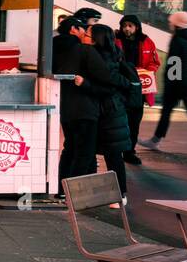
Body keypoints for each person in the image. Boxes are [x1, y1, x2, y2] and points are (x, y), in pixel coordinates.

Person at [140, 11, 187, 157]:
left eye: (171, 22)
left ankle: (155, 140)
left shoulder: (177, 39)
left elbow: (173, 63)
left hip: (177, 83)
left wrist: (169, 84)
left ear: (176, 24)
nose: (169, 24)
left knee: (166, 112)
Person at [52, 15, 109, 182]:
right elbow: (106, 78)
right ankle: (75, 193)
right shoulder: (82, 50)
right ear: (73, 29)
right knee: (84, 150)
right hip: (84, 106)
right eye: (83, 29)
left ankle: (62, 189)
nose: (85, 33)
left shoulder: (53, 47)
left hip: (65, 105)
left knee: (70, 147)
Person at [86, 24, 138, 205]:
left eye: (88, 33)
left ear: (96, 38)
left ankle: (119, 195)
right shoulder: (114, 53)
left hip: (109, 111)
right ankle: (119, 194)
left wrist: (84, 84)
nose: (85, 35)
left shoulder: (100, 59)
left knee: (112, 154)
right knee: (112, 154)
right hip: (114, 109)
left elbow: (109, 84)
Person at [117, 14, 160, 165]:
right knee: (118, 121)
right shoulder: (116, 40)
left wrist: (146, 71)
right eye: (124, 25)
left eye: (130, 25)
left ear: (137, 27)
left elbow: (155, 62)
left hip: (138, 90)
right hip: (120, 87)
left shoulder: (146, 41)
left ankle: (129, 152)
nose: (127, 28)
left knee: (134, 122)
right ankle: (118, 151)